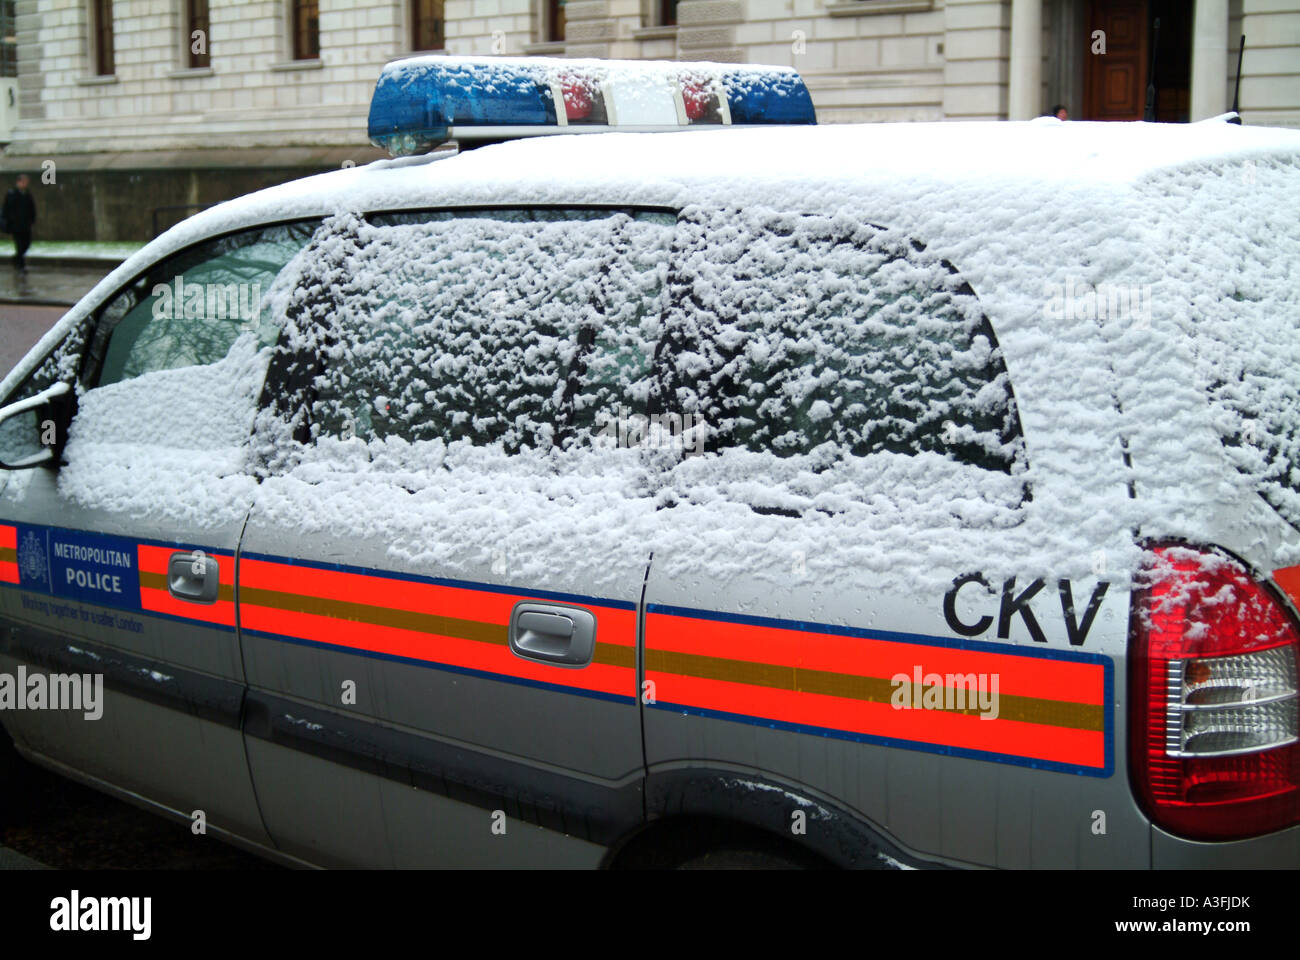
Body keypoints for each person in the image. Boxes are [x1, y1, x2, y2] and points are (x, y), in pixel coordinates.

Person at [3, 174, 36, 271]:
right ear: (18, 182)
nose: (25, 184)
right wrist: (9, 221)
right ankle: (21, 265)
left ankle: (16, 258)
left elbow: (31, 208)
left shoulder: (27, 194)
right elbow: (7, 208)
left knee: (27, 243)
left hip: (26, 224)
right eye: (24, 182)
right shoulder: (12, 194)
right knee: (19, 244)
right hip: (16, 224)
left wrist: (32, 220)